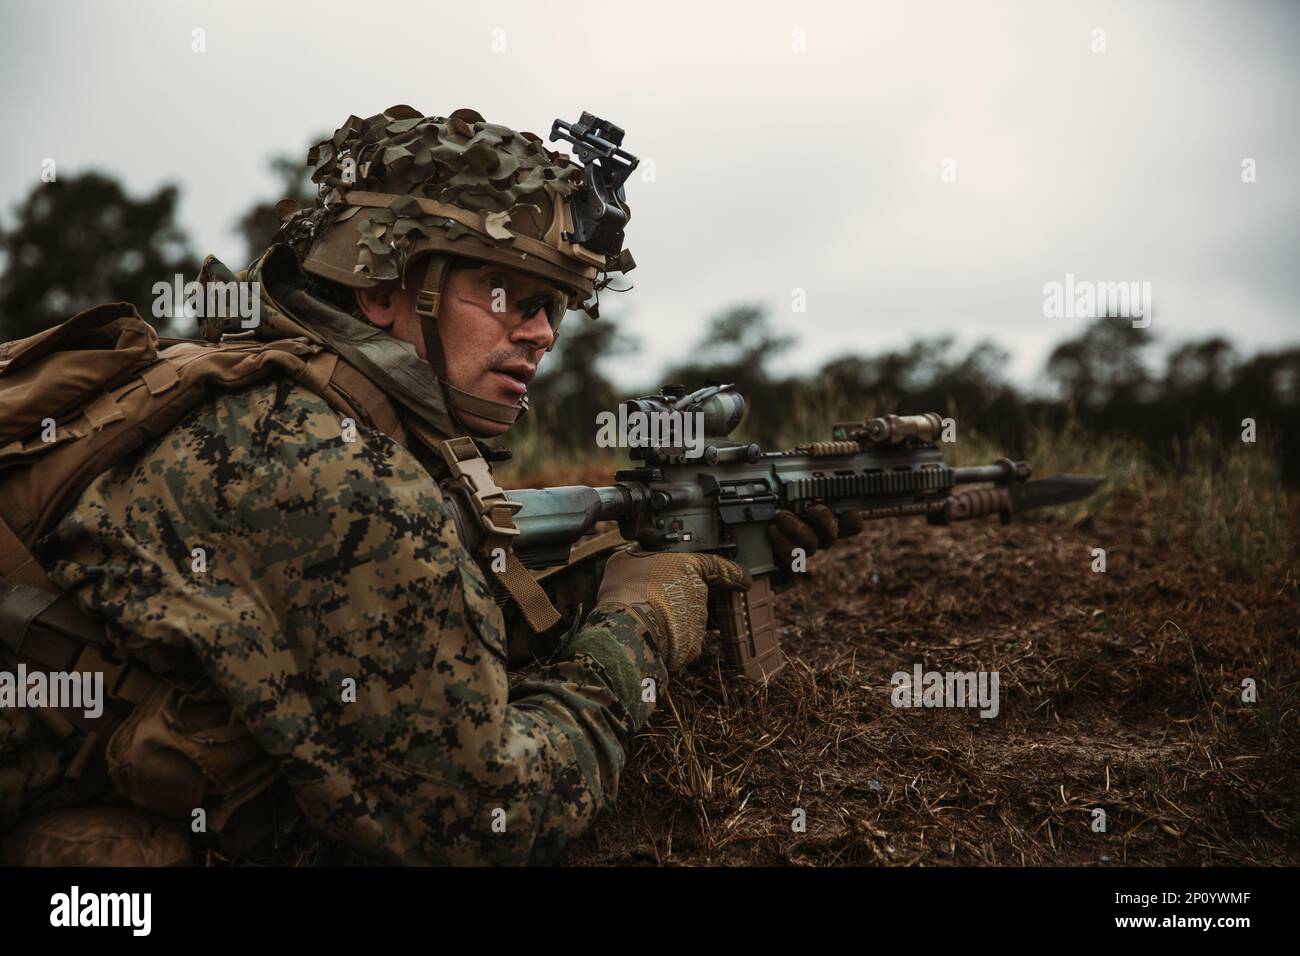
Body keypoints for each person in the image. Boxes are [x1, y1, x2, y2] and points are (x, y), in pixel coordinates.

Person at [0, 105, 843, 866]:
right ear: (383, 287)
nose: (543, 333)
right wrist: (639, 624)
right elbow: (486, 821)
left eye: (556, 306)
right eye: (508, 292)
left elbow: (404, 612)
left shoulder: (264, 391)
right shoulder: (340, 476)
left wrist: (621, 560)